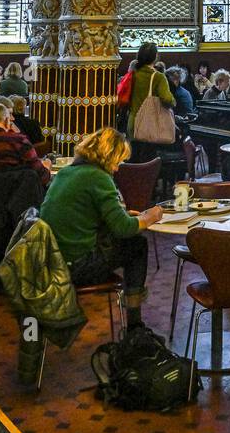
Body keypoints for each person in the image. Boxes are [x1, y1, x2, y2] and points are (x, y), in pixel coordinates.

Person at [40, 126, 162, 329]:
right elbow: (123, 228)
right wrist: (149, 217)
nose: (117, 168)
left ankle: (135, 323)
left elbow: (85, 215)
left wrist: (123, 216)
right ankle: (135, 325)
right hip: (75, 266)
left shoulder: (66, 172)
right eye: (117, 161)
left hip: (50, 262)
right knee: (137, 245)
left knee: (132, 243)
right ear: (108, 156)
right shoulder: (98, 177)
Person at [126, 41, 175, 138]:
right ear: (155, 57)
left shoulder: (132, 74)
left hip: (133, 123)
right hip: (150, 125)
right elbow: (167, 99)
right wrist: (173, 102)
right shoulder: (158, 77)